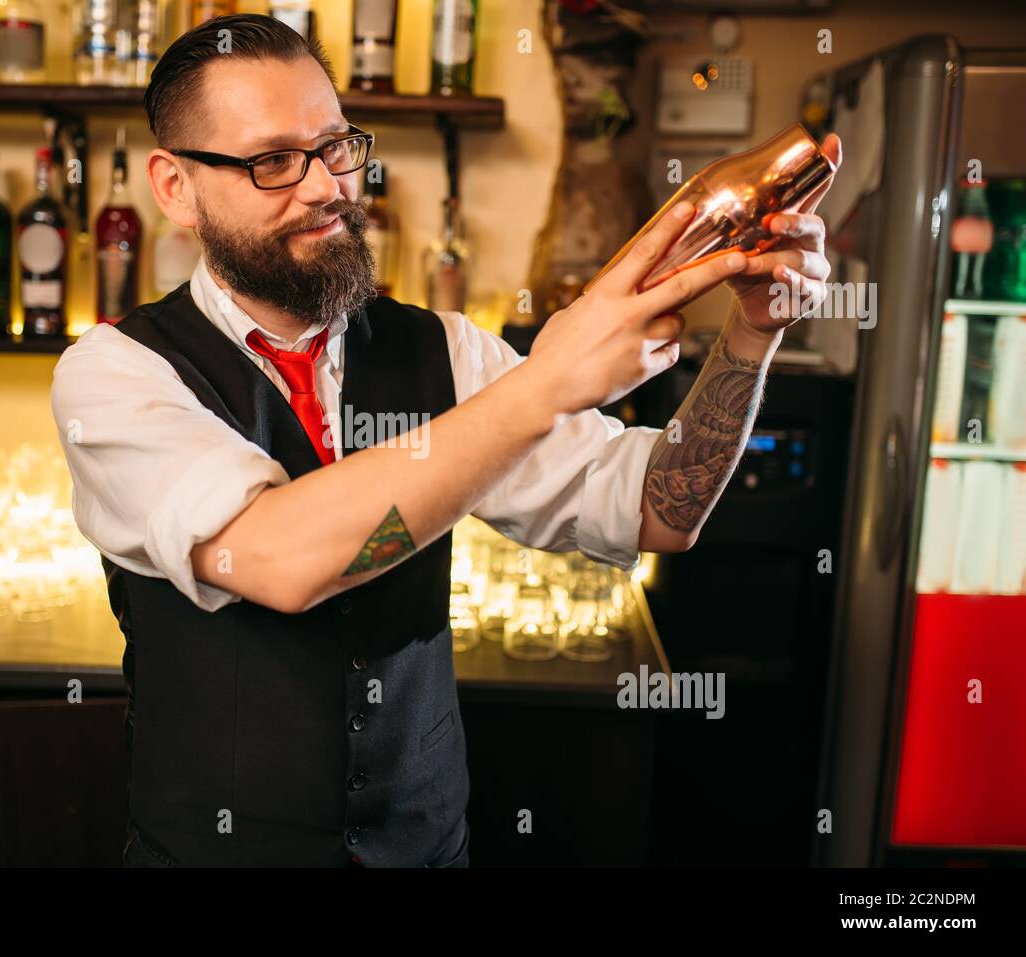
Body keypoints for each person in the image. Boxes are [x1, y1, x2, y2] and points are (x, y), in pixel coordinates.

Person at [50, 13, 842, 868]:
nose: (324, 188)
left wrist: (751, 338)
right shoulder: (115, 375)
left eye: (334, 147)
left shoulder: (447, 350)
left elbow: (659, 506)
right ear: (175, 186)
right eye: (273, 161)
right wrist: (544, 383)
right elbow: (277, 560)